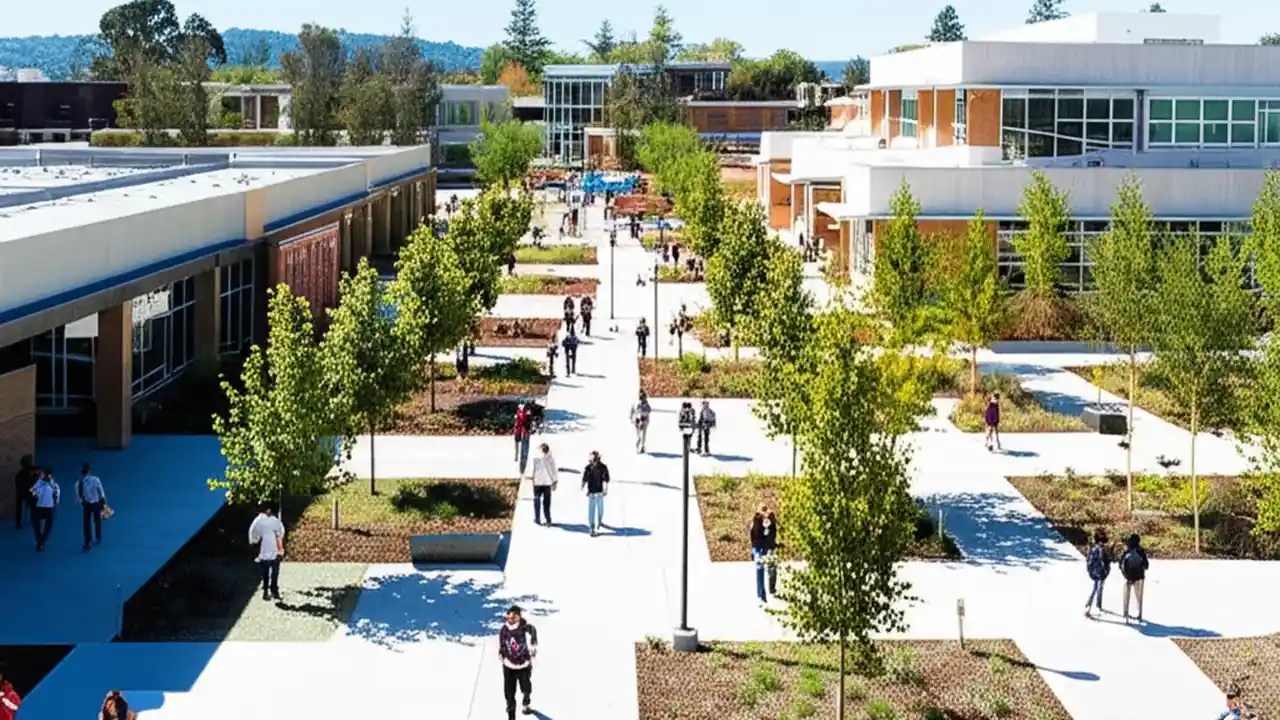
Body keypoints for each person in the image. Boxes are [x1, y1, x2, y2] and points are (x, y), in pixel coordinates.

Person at [498, 605, 538, 719]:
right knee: (509, 695)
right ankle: (511, 714)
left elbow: (533, 631)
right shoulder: (504, 631)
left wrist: (533, 643)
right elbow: (502, 645)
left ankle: (526, 703)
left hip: (524, 666)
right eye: (510, 618)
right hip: (509, 667)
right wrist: (502, 654)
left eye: (515, 618)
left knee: (526, 687)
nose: (512, 620)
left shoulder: (524, 627)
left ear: (519, 617)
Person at [249, 503, 285, 601]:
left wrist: (254, 543)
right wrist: (281, 550)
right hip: (274, 551)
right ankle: (274, 590)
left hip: (264, 551)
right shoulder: (275, 521)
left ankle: (266, 591)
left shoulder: (258, 521)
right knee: (275, 572)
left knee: (265, 573)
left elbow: (253, 534)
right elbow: (280, 534)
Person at [750, 505, 779, 603]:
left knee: (772, 567)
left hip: (769, 547)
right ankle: (761, 593)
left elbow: (773, 536)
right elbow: (754, 538)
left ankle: (772, 588)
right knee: (760, 567)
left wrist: (772, 545)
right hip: (758, 547)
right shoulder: (756, 521)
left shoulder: (772, 522)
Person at [1119, 533, 1149, 624]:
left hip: (1128, 577)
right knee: (1138, 596)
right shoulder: (1141, 551)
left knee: (1126, 595)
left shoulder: (1126, 551)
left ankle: (1125, 613)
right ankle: (1139, 614)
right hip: (1139, 577)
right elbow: (1146, 565)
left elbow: (1120, 564)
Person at [77, 462, 107, 552]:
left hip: (87, 504)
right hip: (96, 503)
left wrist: (82, 501)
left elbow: (80, 494)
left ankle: (88, 541)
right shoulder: (96, 479)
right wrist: (103, 501)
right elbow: (101, 491)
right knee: (97, 519)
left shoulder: (81, 482)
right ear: (89, 471)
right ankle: (98, 536)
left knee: (86, 522)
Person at [527, 443, 558, 526]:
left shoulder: (535, 458)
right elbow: (554, 470)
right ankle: (548, 519)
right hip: (547, 483)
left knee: (537, 499)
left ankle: (537, 518)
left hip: (537, 483)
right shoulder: (550, 459)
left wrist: (530, 476)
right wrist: (555, 481)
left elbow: (532, 469)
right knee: (547, 502)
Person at [29, 468, 59, 552]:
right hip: (49, 508)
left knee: (36, 522)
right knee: (48, 525)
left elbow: (32, 492)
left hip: (39, 507)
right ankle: (41, 541)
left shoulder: (39, 483)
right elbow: (56, 497)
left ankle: (39, 539)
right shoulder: (54, 485)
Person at [582, 451, 610, 537]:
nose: (591, 461)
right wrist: (582, 486)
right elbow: (584, 478)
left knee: (601, 510)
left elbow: (606, 480)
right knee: (591, 511)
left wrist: (605, 489)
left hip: (600, 492)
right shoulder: (588, 468)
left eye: (593, 459)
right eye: (590, 460)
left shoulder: (603, 467)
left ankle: (599, 521)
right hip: (591, 493)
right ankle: (592, 527)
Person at [1084, 528, 1111, 618]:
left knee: (1097, 586)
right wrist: (1107, 570)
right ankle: (1089, 606)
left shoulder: (1093, 547)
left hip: (1093, 571)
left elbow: (1089, 560)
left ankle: (1098, 604)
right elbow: (1105, 561)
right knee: (1097, 587)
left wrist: (1089, 569)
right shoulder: (1102, 548)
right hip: (1101, 572)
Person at [12, 454, 37, 530]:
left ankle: (18, 522)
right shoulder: (29, 474)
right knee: (34, 503)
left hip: (21, 493)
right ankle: (33, 519)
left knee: (19, 504)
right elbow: (32, 485)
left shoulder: (19, 474)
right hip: (26, 494)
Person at [513, 404, 534, 475]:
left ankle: (522, 468)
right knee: (524, 451)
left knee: (523, 451)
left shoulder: (524, 413)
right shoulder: (523, 413)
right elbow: (517, 424)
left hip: (524, 433)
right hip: (523, 433)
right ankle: (521, 468)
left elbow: (527, 423)